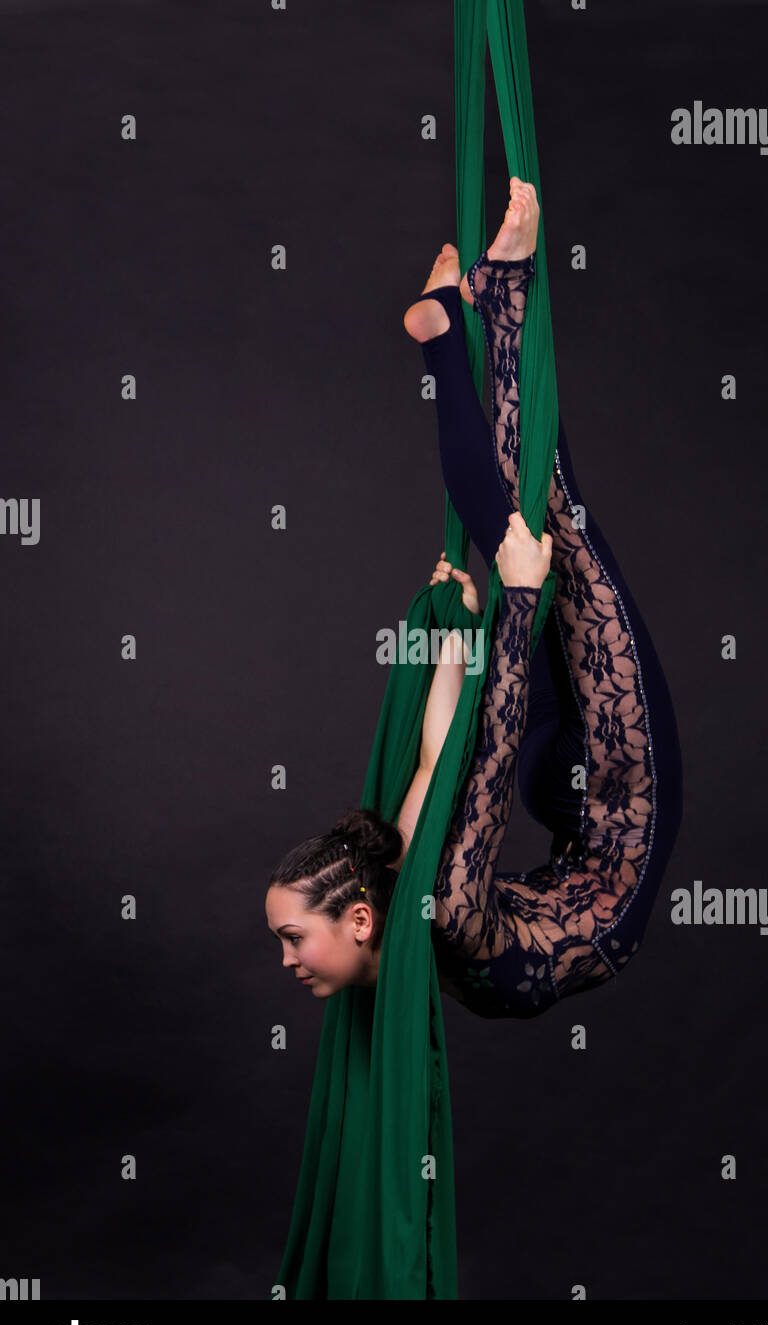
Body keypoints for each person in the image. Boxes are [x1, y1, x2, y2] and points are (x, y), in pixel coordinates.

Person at [265, 178, 683, 1019]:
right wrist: (515, 605)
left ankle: (480, 312)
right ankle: (469, 320)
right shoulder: (440, 914)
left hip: (574, 796)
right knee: (545, 519)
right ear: (356, 921)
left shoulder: (414, 894)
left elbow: (443, 760)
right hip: (613, 806)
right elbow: (473, 764)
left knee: (544, 518)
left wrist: (462, 637)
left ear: (356, 916)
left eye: (289, 938)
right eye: (286, 938)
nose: (284, 961)